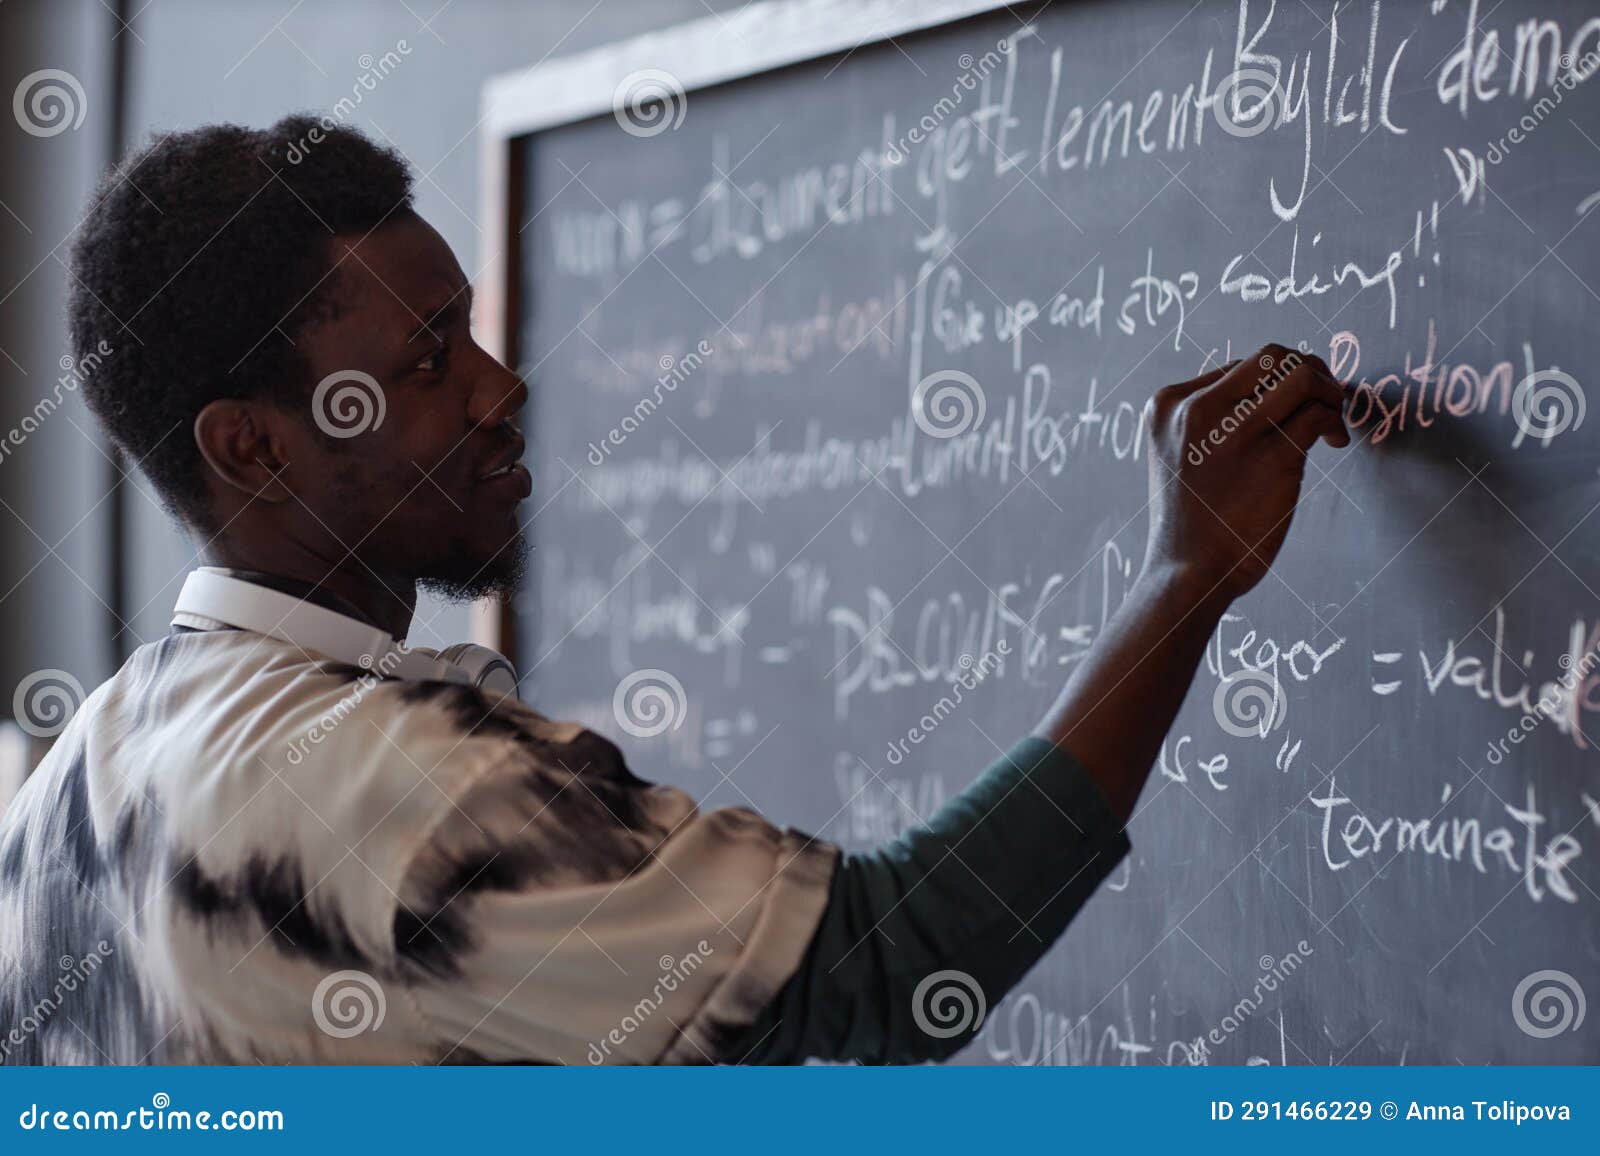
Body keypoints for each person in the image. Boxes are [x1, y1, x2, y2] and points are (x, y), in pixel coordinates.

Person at [0, 118, 1347, 1065]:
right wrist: (1187, 577)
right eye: (425, 365)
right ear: (252, 443)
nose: (498, 387)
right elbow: (893, 971)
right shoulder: (381, 781)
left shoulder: (74, 777)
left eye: (464, 330)